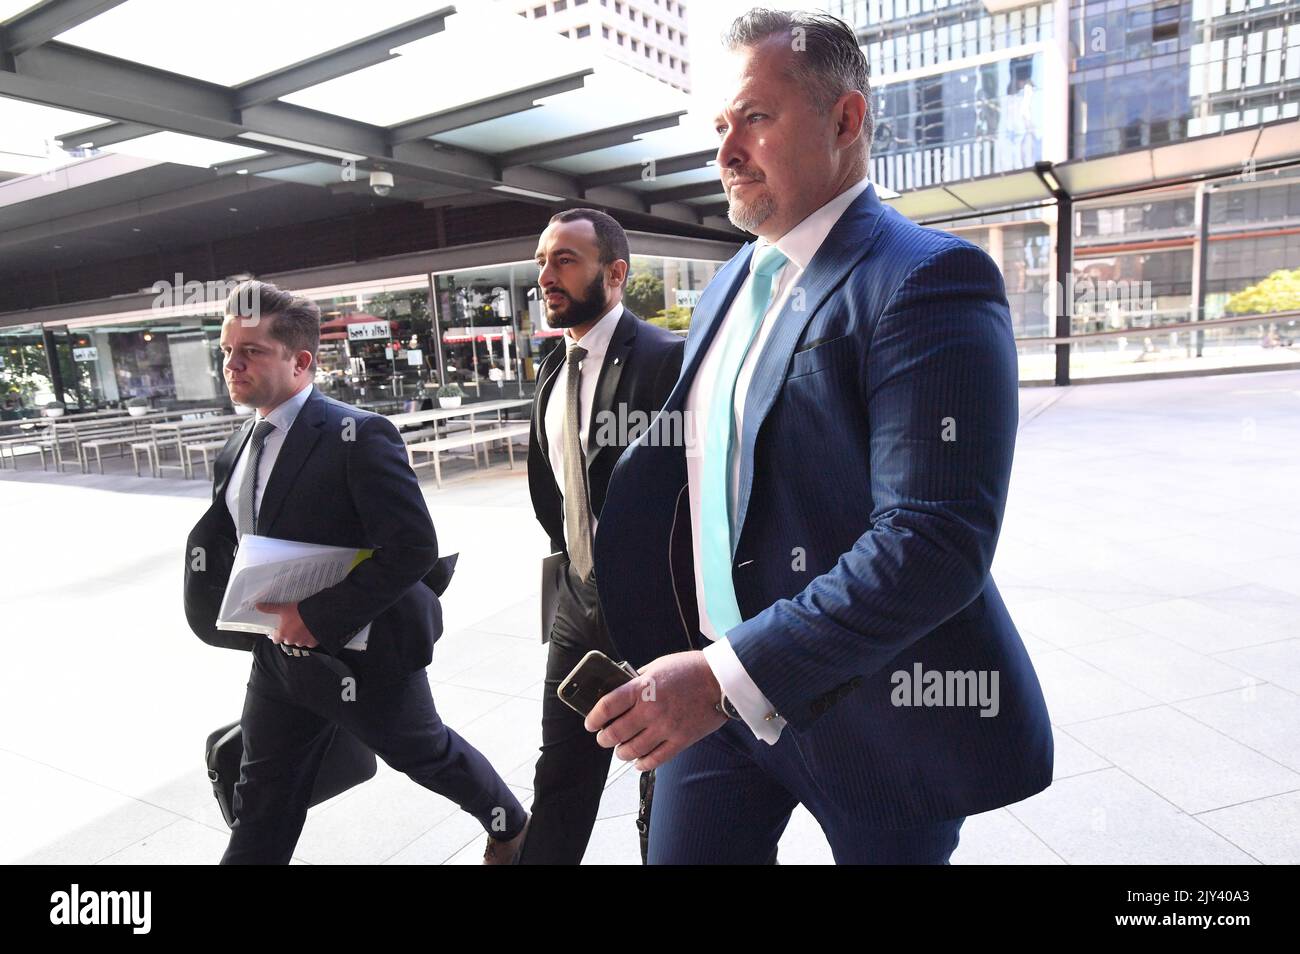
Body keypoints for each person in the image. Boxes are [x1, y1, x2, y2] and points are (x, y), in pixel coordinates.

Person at [587, 9, 1053, 864]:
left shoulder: (928, 279)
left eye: (754, 118)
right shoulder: (730, 283)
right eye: (720, 126)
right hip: (718, 697)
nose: (726, 151)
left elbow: (934, 541)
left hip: (876, 709)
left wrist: (730, 677)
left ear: (846, 119)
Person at [183, 280, 529, 864]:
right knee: (264, 797)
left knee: (424, 752)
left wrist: (316, 617)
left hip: (364, 654)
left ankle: (512, 825)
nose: (232, 364)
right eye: (226, 350)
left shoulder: (357, 435)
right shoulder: (240, 441)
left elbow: (413, 547)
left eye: (251, 351)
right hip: (278, 656)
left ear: (301, 361)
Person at [519, 209, 684, 864]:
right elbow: (553, 495)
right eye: (541, 261)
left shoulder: (668, 361)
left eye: (564, 260)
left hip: (655, 611)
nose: (546, 276)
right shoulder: (552, 371)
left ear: (614, 274)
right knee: (559, 774)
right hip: (576, 605)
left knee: (666, 783)